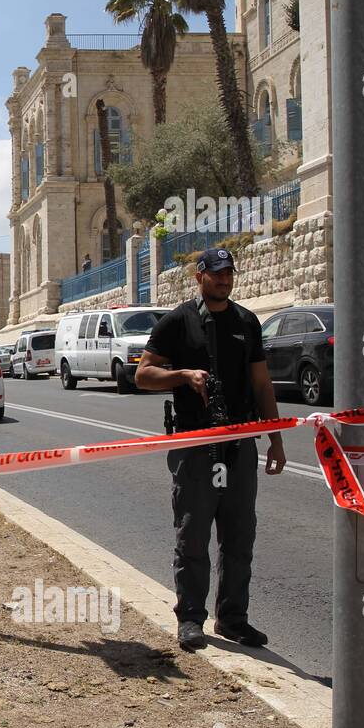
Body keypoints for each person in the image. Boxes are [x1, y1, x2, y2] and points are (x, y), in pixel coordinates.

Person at [136, 247, 285, 651]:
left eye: (229, 274)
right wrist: (183, 375)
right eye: (216, 274)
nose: (224, 280)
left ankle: (233, 619)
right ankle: (190, 619)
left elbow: (262, 384)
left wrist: (275, 439)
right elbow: (143, 375)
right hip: (195, 446)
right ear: (199, 277)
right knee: (193, 535)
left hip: (239, 446)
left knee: (239, 537)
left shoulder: (246, 322)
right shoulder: (177, 321)